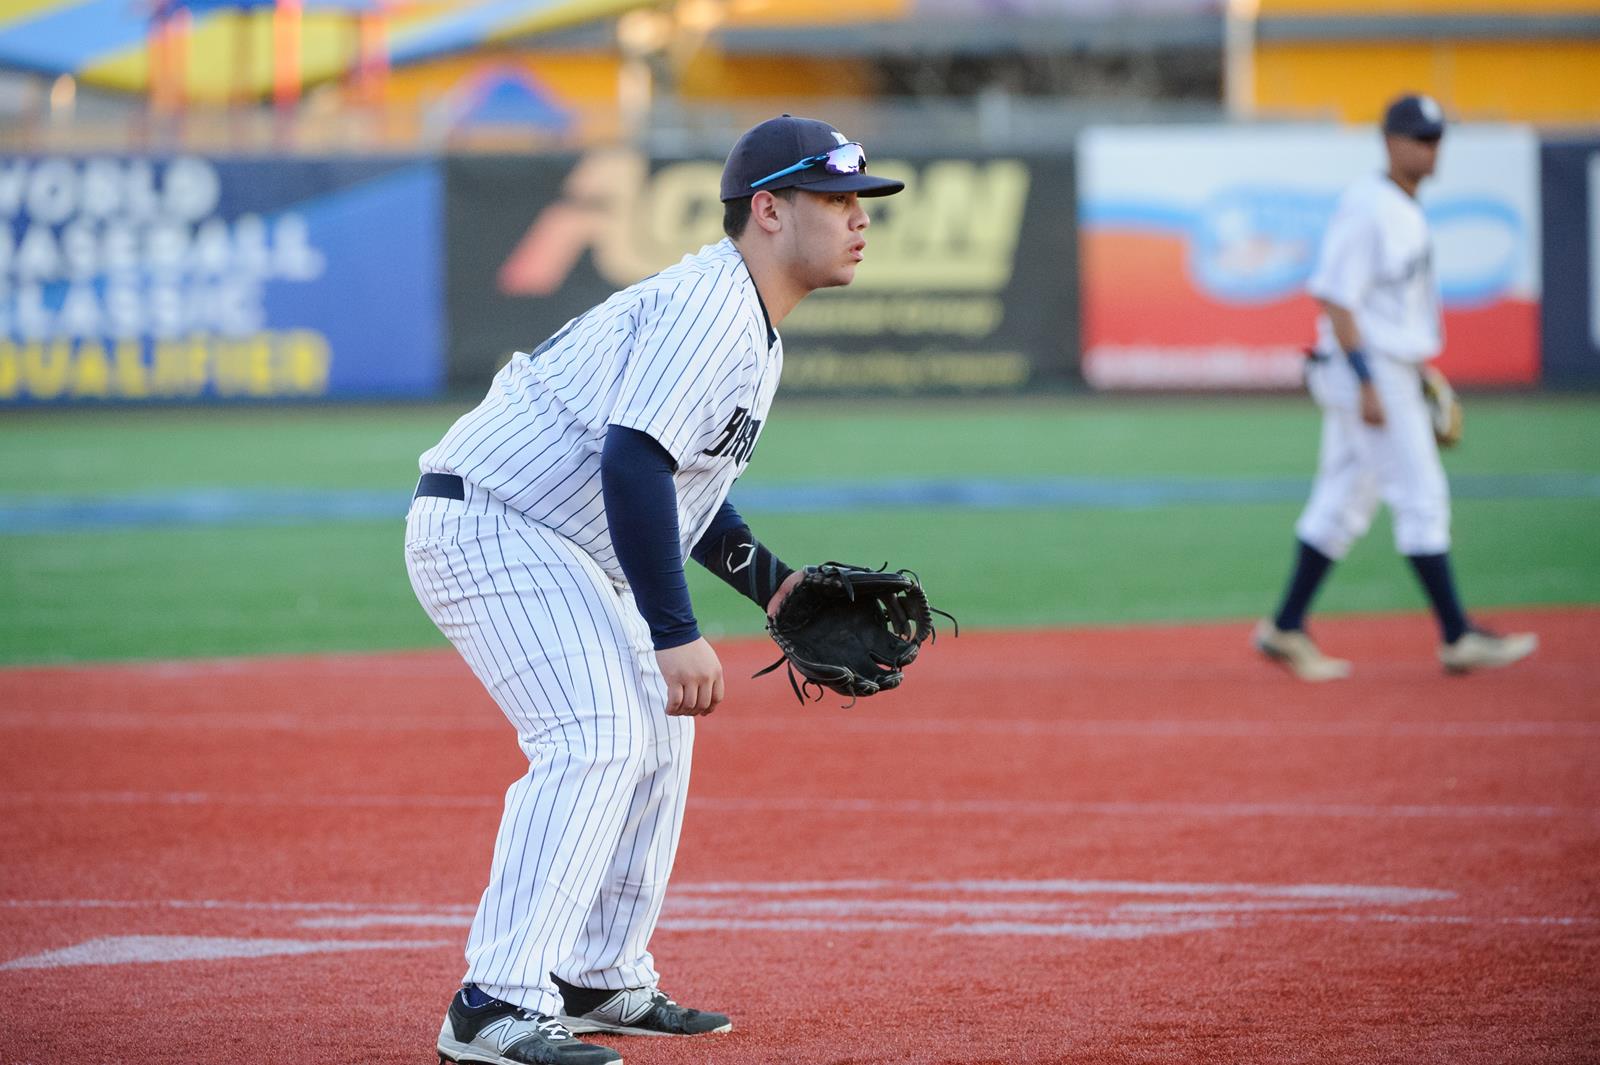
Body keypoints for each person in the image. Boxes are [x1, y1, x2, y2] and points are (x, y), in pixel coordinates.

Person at [406, 115, 905, 1065]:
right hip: (493, 524)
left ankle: (597, 975)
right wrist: (675, 628)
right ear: (769, 209)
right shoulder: (712, 308)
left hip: (547, 536)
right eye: (837, 199)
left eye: (860, 202)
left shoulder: (748, 324)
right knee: (596, 730)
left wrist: (773, 585)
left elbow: (680, 488)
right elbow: (632, 461)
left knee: (656, 724)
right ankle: (493, 1004)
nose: (858, 219)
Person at [1253, 93, 1537, 682]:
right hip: (1368, 370)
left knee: (1345, 499)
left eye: (1437, 138)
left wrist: (1416, 370)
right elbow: (1335, 295)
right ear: (1389, 141)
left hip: (1389, 365)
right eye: (1420, 138)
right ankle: (1457, 635)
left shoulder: (1401, 207)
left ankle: (1285, 626)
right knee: (1421, 496)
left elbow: (1389, 307)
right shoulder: (1370, 207)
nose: (1431, 149)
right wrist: (1368, 382)